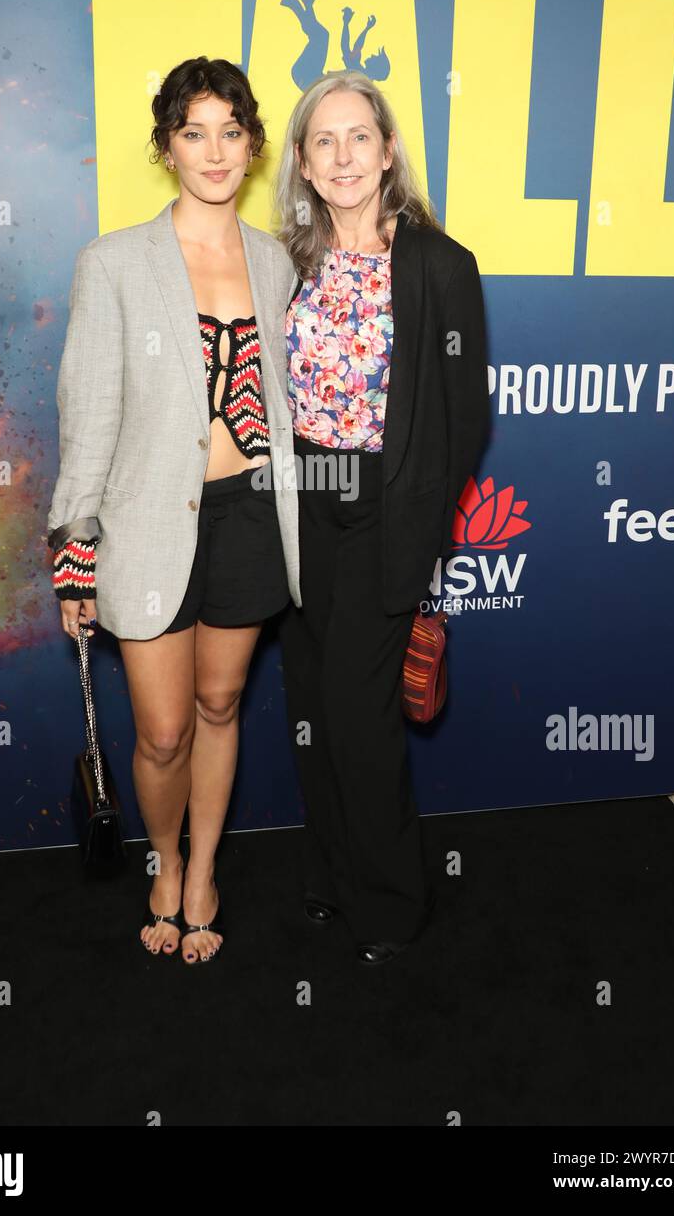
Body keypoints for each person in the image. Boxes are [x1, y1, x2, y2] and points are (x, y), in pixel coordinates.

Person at [47, 57, 301, 965]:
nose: (216, 151)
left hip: (249, 515)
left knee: (222, 701)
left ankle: (203, 875)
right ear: (166, 147)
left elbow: (289, 399)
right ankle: (163, 857)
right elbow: (89, 410)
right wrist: (76, 548)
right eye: (194, 132)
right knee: (163, 730)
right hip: (147, 520)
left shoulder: (275, 264)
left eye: (231, 131)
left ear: (252, 143)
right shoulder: (113, 262)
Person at [274, 71, 491, 965]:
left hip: (383, 510)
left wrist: (420, 528)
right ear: (303, 163)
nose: (344, 156)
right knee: (311, 704)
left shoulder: (440, 264)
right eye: (324, 141)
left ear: (389, 150)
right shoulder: (287, 258)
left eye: (359, 136)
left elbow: (464, 415)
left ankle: (395, 902)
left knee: (360, 718)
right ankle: (333, 877)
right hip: (300, 505)